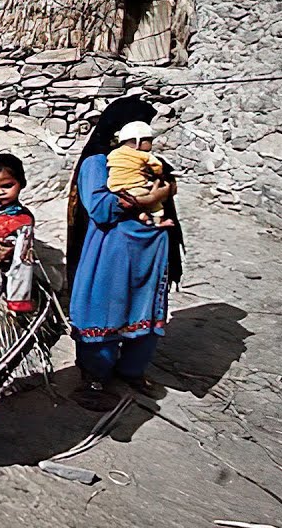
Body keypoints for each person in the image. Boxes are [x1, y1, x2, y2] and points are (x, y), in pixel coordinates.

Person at [67, 97, 183, 411]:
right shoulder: (97, 163)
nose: (146, 139)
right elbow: (101, 209)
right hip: (112, 251)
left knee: (144, 309)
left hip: (150, 248)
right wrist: (147, 199)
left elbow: (166, 188)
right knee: (105, 309)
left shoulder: (146, 160)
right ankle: (95, 376)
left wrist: (161, 193)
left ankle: (131, 370)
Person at [0, 153, 37, 314]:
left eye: (7, 186)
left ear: (21, 183)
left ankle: (17, 301)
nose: (0, 192)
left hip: (2, 268)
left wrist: (17, 298)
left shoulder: (23, 220)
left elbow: (22, 260)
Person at [106, 121, 175, 227]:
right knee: (156, 201)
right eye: (149, 140)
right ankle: (158, 221)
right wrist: (159, 175)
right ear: (138, 141)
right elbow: (157, 167)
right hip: (135, 187)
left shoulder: (113, 153)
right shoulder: (143, 155)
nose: (151, 143)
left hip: (115, 188)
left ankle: (142, 215)